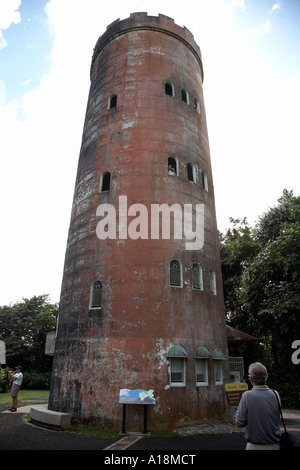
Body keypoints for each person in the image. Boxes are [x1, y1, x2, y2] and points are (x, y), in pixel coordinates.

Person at [235, 362, 281, 450]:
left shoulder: (247, 396)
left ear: (251, 379)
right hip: (275, 445)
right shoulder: (275, 394)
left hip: (255, 446)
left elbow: (239, 423)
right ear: (266, 377)